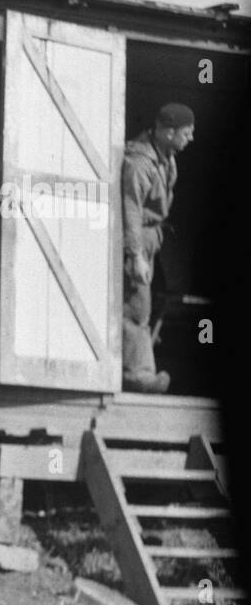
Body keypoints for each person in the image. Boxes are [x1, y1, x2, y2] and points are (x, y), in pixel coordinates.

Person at [122, 103, 195, 393]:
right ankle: (138, 376)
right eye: (186, 133)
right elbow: (131, 210)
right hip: (137, 241)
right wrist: (136, 255)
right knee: (135, 309)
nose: (191, 138)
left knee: (142, 307)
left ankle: (137, 371)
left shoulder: (166, 158)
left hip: (151, 241)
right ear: (167, 132)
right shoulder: (140, 163)